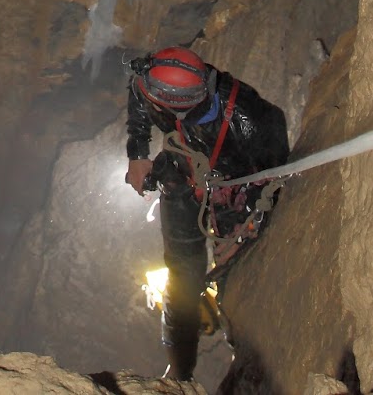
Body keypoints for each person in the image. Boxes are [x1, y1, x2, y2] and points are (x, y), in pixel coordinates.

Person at [124, 46, 289, 381]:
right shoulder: (160, 89)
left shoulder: (249, 120)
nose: (147, 98)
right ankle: (180, 370)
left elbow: (274, 172)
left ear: (178, 109)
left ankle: (240, 353)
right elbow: (138, 95)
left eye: (154, 101)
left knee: (234, 282)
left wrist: (253, 215)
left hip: (235, 194)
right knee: (182, 276)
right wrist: (137, 151)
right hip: (181, 177)